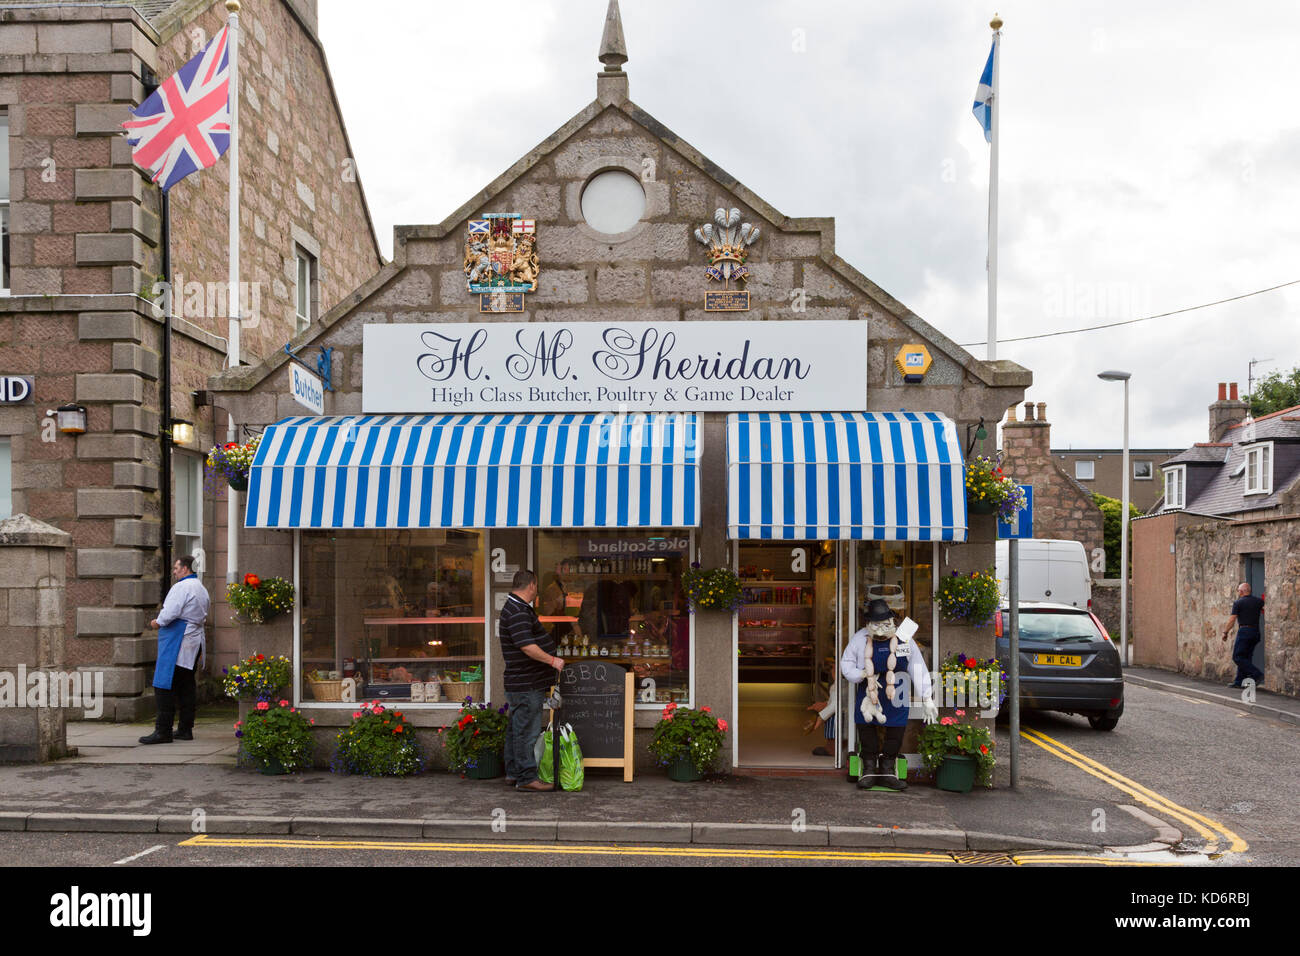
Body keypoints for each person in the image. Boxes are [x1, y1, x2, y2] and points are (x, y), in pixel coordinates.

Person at [840, 599, 937, 790]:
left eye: (885, 624)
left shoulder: (904, 639)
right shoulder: (860, 638)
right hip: (870, 687)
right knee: (866, 727)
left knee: (896, 730)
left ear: (892, 621)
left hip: (898, 689)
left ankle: (887, 770)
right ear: (868, 623)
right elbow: (847, 662)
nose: (880, 629)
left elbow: (917, 666)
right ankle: (868, 769)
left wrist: (927, 697)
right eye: (876, 624)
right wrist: (860, 674)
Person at [498, 569, 565, 791]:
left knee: (516, 729)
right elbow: (527, 646)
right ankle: (527, 778)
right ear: (532, 586)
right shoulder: (517, 611)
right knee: (526, 731)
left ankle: (513, 772)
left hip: (523, 682)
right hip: (526, 683)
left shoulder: (517, 607)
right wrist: (552, 661)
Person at [139, 556, 210, 745]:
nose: (174, 571)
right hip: (194, 640)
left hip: (179, 639)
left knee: (163, 684)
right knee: (186, 685)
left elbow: (170, 611)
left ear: (185, 568)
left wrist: (157, 622)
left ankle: (163, 730)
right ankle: (186, 729)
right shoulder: (201, 588)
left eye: (177, 567)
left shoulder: (181, 587)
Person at [1221, 582, 1265, 688]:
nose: (1238, 593)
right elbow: (1265, 609)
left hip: (1244, 631)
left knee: (1237, 657)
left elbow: (1232, 619)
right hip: (1255, 632)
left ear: (1241, 591)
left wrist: (1225, 632)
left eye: (1238, 591)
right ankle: (1239, 681)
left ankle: (1257, 674)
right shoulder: (1259, 601)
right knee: (1246, 657)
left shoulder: (1238, 603)